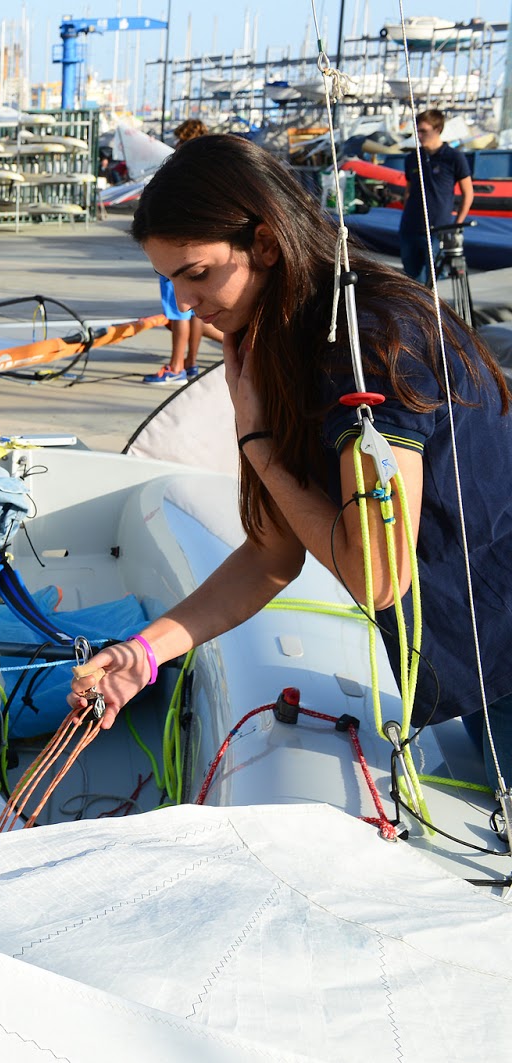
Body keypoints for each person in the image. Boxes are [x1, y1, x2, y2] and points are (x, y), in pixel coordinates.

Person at [72, 134, 512, 790]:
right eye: (172, 281)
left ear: (266, 243)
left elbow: (379, 576)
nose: (184, 302)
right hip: (479, 668)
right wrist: (143, 652)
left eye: (197, 273)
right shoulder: (285, 343)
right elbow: (271, 554)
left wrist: (256, 441)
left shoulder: (370, 347)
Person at [144, 119, 225, 385]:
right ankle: (190, 363)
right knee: (196, 310)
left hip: (177, 248)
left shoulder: (180, 174)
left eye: (179, 141)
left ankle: (176, 366)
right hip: (199, 249)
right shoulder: (209, 173)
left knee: (178, 310)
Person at [400, 108, 473, 285]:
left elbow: (468, 193)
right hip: (410, 228)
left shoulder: (454, 158)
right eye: (417, 131)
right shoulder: (412, 158)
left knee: (436, 281)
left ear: (438, 129)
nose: (419, 135)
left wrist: (456, 226)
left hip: (437, 230)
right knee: (411, 280)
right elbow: (408, 190)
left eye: (424, 131)